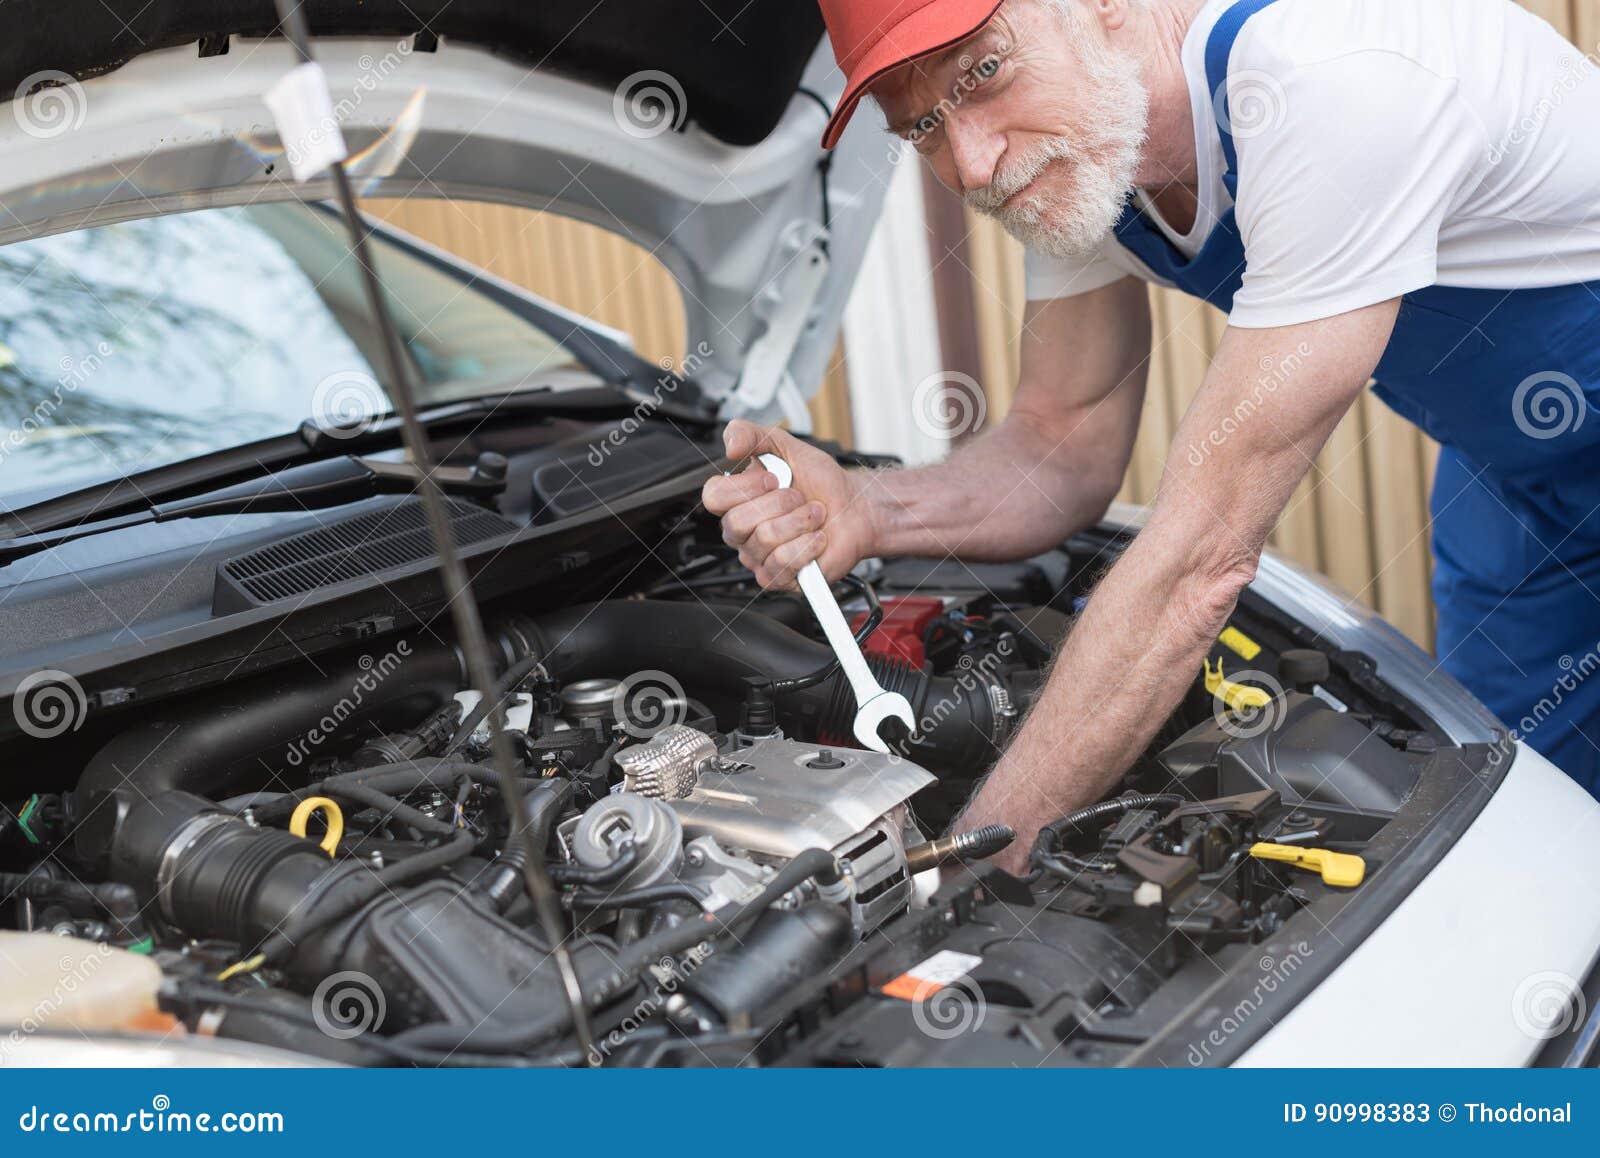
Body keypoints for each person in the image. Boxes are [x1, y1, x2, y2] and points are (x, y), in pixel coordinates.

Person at [702, 0, 1600, 869]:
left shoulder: (1330, 84)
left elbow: (1195, 565)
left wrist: (969, 862)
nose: (972, 164)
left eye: (983, 70)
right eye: (923, 129)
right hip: (1515, 481)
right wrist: (868, 506)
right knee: (1541, 832)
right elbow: (1063, 441)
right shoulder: (1088, 156)